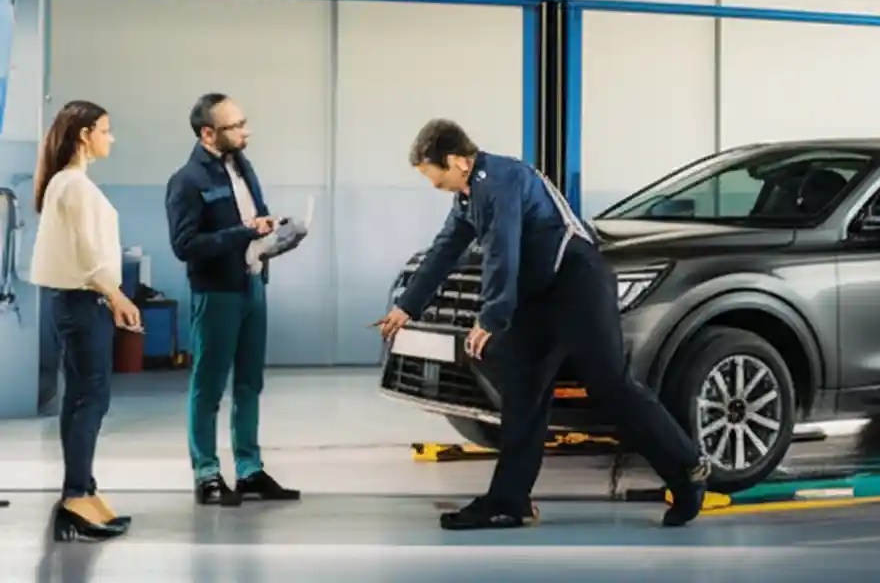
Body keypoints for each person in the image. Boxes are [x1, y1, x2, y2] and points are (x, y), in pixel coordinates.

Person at [375, 119, 710, 530]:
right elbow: (445, 251)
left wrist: (492, 316)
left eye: (434, 176)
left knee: (610, 385)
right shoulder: (467, 198)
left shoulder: (503, 178)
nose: (433, 185)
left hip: (577, 283)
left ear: (457, 161)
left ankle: (687, 469)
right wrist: (407, 308)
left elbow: (502, 249)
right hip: (538, 295)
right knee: (523, 391)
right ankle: (509, 501)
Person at [165, 93, 299, 507]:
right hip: (216, 293)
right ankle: (206, 473)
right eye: (236, 126)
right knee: (207, 387)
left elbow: (254, 222)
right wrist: (245, 232)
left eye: (244, 121)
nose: (246, 131)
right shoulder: (187, 181)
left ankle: (249, 470)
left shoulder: (244, 167)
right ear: (209, 133)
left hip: (252, 285)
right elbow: (185, 245)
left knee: (249, 383)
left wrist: (276, 235)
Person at [30, 100, 142, 542]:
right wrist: (116, 296)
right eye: (106, 130)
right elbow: (89, 253)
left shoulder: (67, 183)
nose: (110, 138)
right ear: (84, 135)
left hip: (75, 302)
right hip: (83, 302)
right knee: (89, 400)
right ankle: (76, 496)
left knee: (81, 397)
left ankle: (82, 491)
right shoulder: (73, 185)